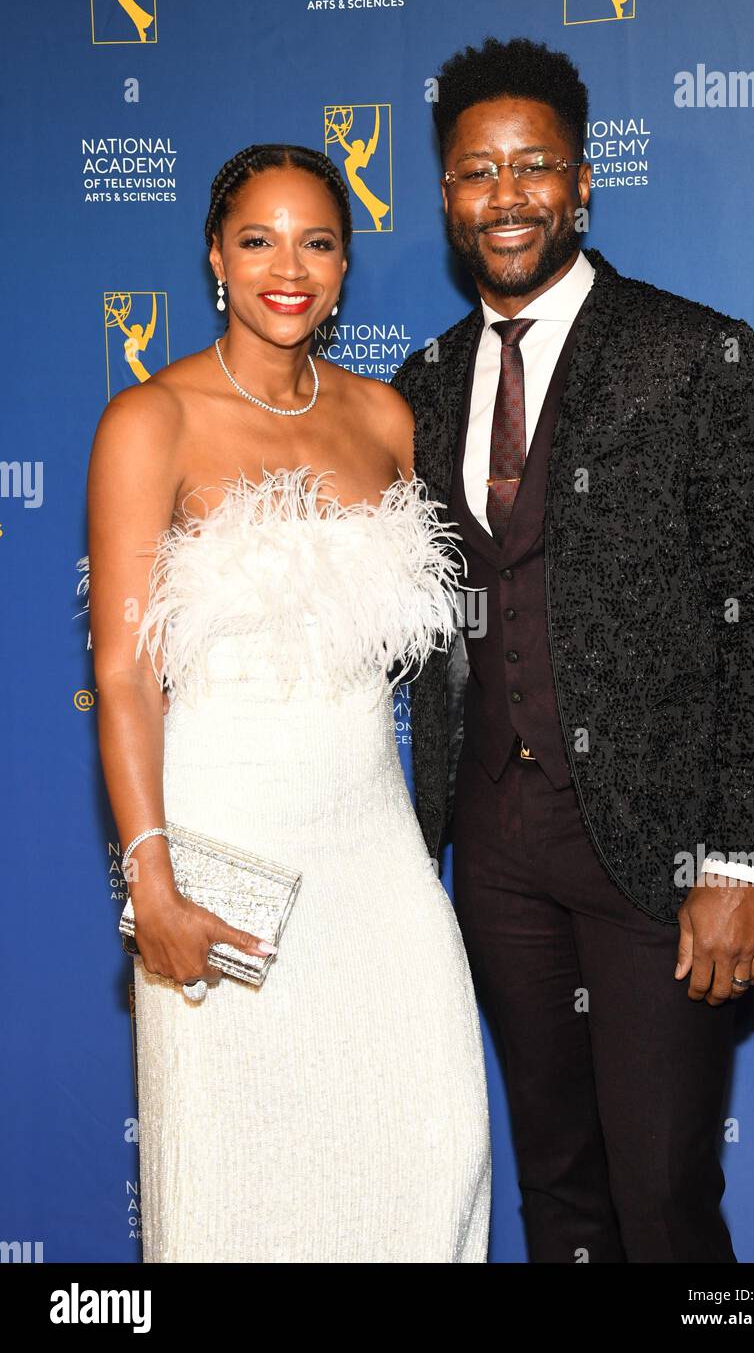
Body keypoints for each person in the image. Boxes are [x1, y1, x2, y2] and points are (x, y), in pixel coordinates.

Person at [392, 37, 754, 1263]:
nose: (505, 194)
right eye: (477, 170)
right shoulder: (415, 387)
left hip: (658, 848)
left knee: (663, 1198)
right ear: (445, 196)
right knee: (557, 1192)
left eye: (533, 166)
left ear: (582, 182)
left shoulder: (698, 356)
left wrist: (738, 859)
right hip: (495, 854)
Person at [81, 143, 491, 1263]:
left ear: (345, 266)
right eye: (257, 239)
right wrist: (150, 877)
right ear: (215, 257)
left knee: (431, 1149)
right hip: (222, 856)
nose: (287, 267)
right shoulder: (147, 421)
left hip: (376, 858)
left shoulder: (383, 420)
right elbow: (124, 673)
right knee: (235, 1198)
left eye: (316, 241)